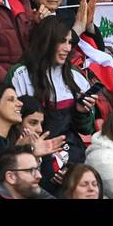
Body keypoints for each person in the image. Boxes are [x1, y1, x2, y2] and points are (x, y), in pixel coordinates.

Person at [7, 17, 98, 189]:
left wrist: (82, 111)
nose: (67, 48)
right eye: (61, 42)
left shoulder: (77, 77)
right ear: (46, 41)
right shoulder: (19, 74)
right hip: (30, 149)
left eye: (70, 42)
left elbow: (86, 129)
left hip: (69, 149)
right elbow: (10, 123)